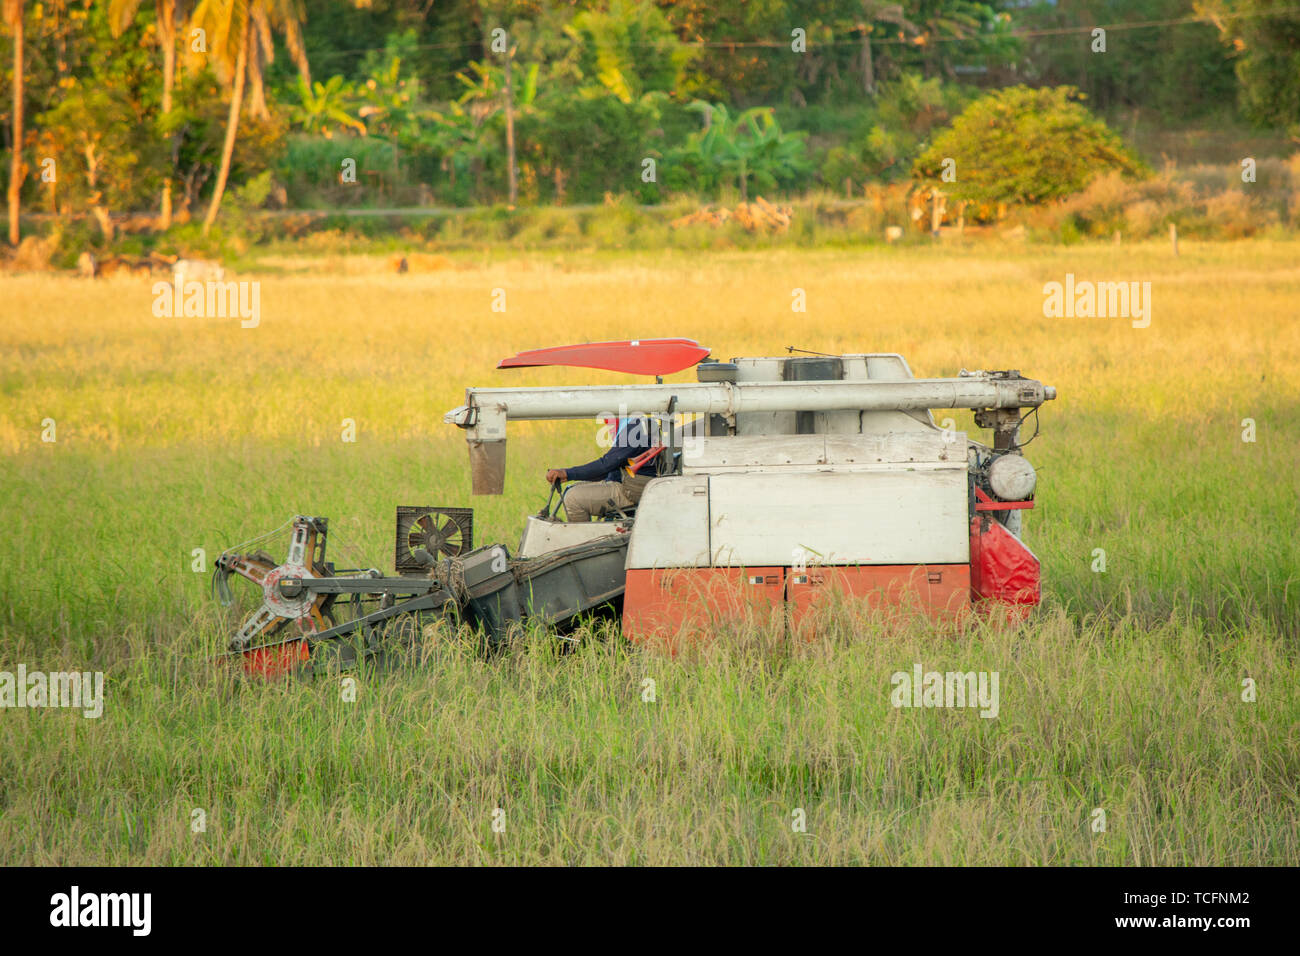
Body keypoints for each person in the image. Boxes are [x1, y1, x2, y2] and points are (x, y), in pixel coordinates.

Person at [546, 416, 661, 522]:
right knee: (572, 488)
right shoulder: (638, 423)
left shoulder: (634, 427)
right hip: (633, 483)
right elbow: (611, 465)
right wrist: (570, 475)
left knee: (572, 498)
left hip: (631, 490)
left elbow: (607, 464)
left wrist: (567, 473)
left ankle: (587, 542)